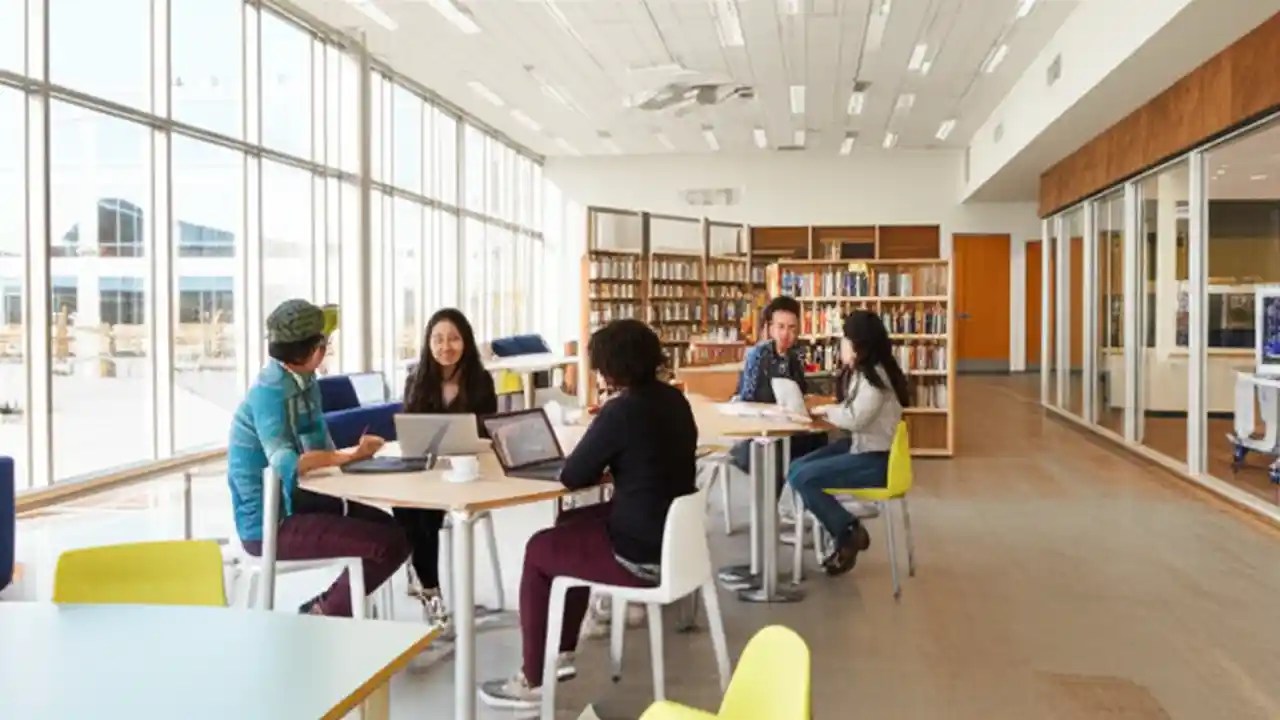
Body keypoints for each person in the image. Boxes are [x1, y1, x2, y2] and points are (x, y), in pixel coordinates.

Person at [479, 319, 698, 710]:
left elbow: (572, 475)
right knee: (570, 525)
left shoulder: (621, 411)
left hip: (637, 556)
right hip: (673, 543)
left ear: (612, 367)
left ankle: (531, 680)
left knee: (539, 549)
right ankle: (560, 651)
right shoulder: (674, 400)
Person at [228, 299, 410, 616]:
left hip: (298, 500)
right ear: (315, 350)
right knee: (388, 544)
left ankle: (331, 605)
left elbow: (316, 439)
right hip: (270, 523)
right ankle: (324, 612)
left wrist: (349, 459)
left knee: (399, 532)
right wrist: (346, 455)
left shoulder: (306, 381)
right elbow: (285, 463)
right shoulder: (269, 392)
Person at [787, 310, 908, 576]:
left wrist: (825, 412)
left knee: (803, 478)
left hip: (876, 459)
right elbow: (853, 411)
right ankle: (842, 530)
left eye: (845, 339)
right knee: (796, 469)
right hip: (864, 446)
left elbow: (854, 418)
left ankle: (847, 530)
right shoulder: (868, 372)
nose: (841, 344)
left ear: (859, 344)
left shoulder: (876, 379)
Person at [398, 308, 497, 617]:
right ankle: (428, 582)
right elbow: (410, 431)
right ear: (428, 344)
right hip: (427, 468)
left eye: (453, 339)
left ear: (466, 341)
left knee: (425, 510)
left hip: (468, 473)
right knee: (405, 503)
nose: (445, 347)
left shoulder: (480, 381)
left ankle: (427, 584)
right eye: (438, 340)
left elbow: (487, 432)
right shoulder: (416, 379)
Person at [730, 295, 828, 490]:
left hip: (787, 424)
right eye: (781, 327)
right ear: (770, 328)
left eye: (792, 328)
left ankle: (806, 496)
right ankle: (771, 508)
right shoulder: (758, 355)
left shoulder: (794, 356)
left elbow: (800, 390)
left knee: (820, 440)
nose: (786, 334)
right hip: (759, 428)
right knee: (780, 450)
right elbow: (748, 396)